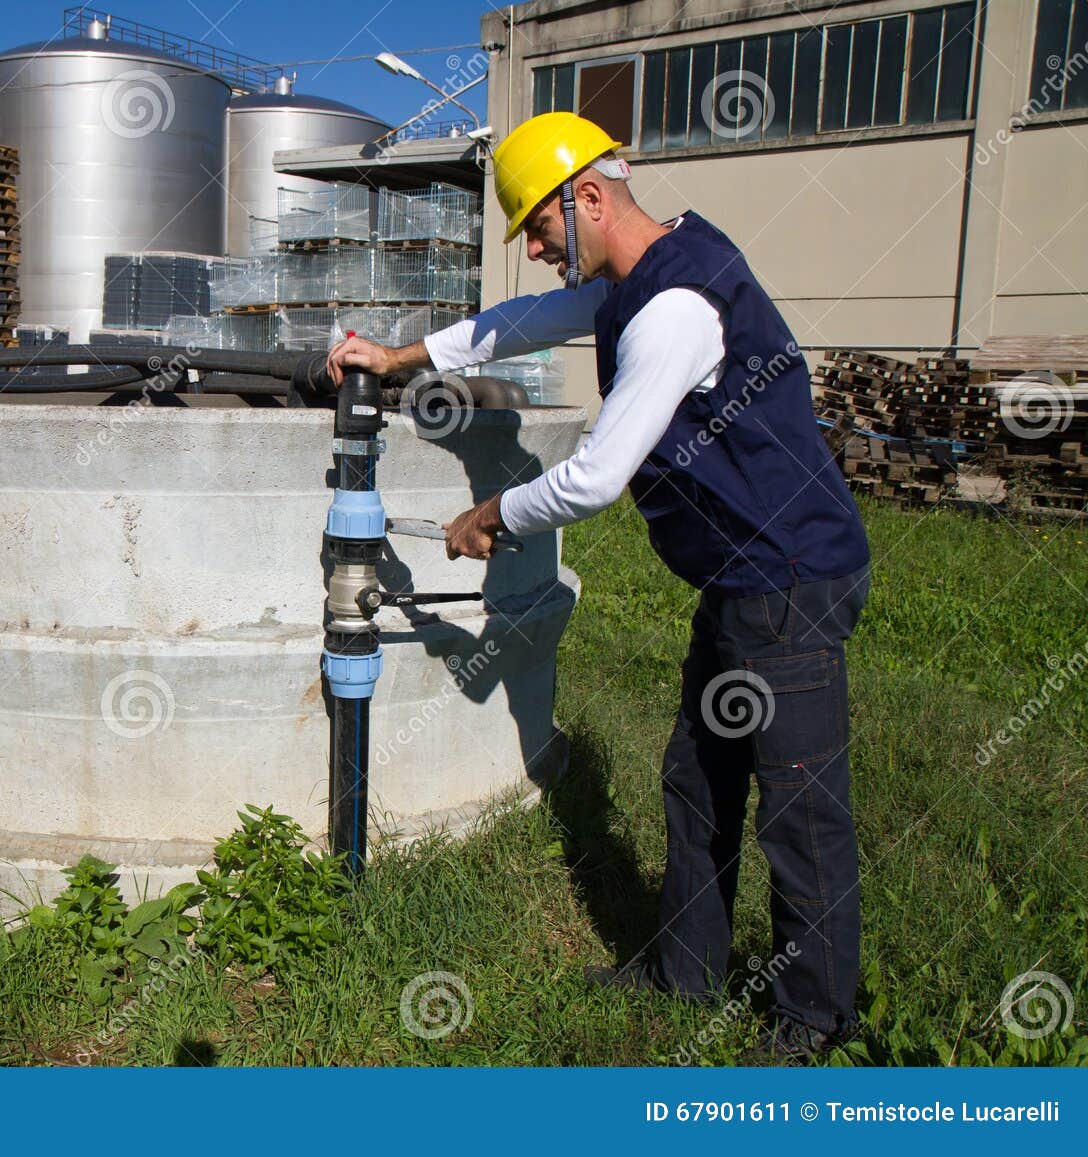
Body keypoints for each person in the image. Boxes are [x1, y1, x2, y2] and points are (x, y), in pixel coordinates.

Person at [327, 112, 871, 1062]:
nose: (536, 250)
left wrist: (491, 516)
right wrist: (398, 359)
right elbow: (518, 324)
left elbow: (594, 478)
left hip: (790, 575)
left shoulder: (673, 309)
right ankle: (687, 971)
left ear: (588, 196)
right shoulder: (636, 278)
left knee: (798, 802)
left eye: (539, 228)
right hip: (742, 576)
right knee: (698, 779)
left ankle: (820, 1018)